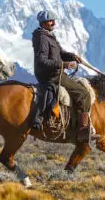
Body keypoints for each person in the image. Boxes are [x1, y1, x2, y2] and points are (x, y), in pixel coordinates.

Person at [31, 10, 91, 141]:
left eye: (53, 20)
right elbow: (42, 60)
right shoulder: (42, 38)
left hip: (55, 72)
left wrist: (72, 56)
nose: (53, 22)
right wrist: (63, 65)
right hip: (52, 75)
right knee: (84, 94)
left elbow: (60, 53)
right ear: (43, 23)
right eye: (50, 21)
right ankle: (82, 130)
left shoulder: (48, 36)